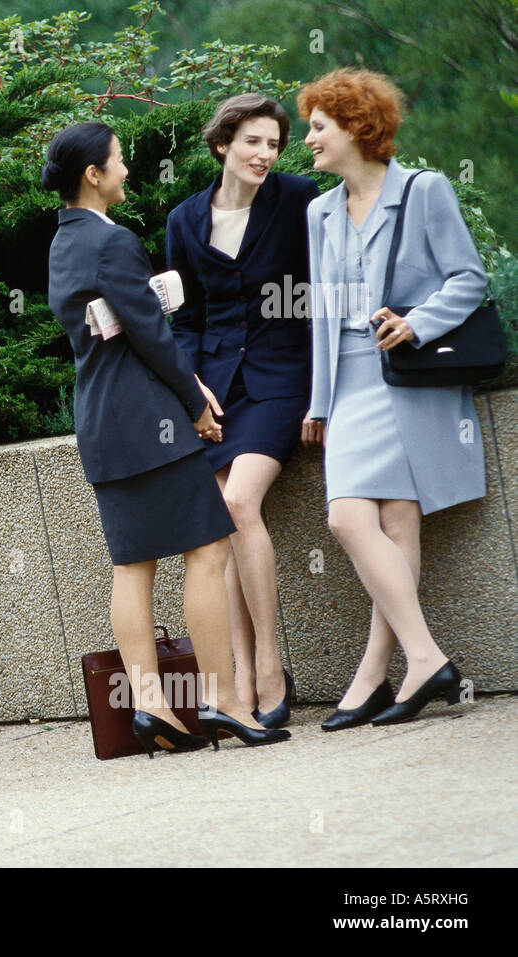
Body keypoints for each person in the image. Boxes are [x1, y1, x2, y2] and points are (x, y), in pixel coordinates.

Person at [43, 123, 290, 755]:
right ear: (93, 175)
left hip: (101, 422)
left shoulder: (62, 244)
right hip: (147, 421)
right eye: (119, 162)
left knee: (133, 564)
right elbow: (152, 335)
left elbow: (115, 329)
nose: (126, 171)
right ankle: (224, 700)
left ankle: (150, 705)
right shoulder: (114, 241)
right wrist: (195, 402)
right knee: (209, 551)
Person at [298, 68, 484, 728]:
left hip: (405, 378)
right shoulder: (319, 212)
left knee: (395, 523)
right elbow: (322, 316)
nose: (308, 140)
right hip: (348, 382)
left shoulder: (424, 191)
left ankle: (379, 675)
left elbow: (469, 278)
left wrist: (419, 321)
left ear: (355, 125)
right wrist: (319, 401)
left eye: (318, 126)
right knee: (350, 517)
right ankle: (426, 657)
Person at [165, 94, 319, 728]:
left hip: (283, 378)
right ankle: (235, 671)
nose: (265, 155)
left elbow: (325, 289)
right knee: (219, 529)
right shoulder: (183, 219)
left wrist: (326, 392)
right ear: (223, 143)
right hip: (218, 390)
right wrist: (190, 384)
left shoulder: (298, 198)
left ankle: (268, 666)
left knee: (235, 505)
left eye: (274, 145)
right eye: (253, 142)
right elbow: (186, 318)